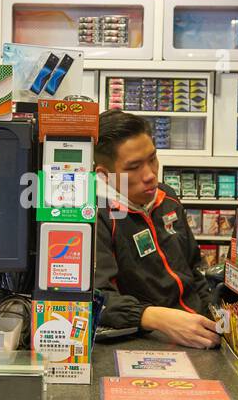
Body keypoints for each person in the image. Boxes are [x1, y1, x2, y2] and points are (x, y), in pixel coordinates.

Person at [93, 109, 220, 348]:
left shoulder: (167, 197)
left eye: (152, 158)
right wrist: (154, 317)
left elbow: (193, 270)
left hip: (198, 336)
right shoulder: (96, 215)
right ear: (105, 175)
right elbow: (97, 298)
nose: (150, 175)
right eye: (134, 167)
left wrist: (212, 314)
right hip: (142, 342)